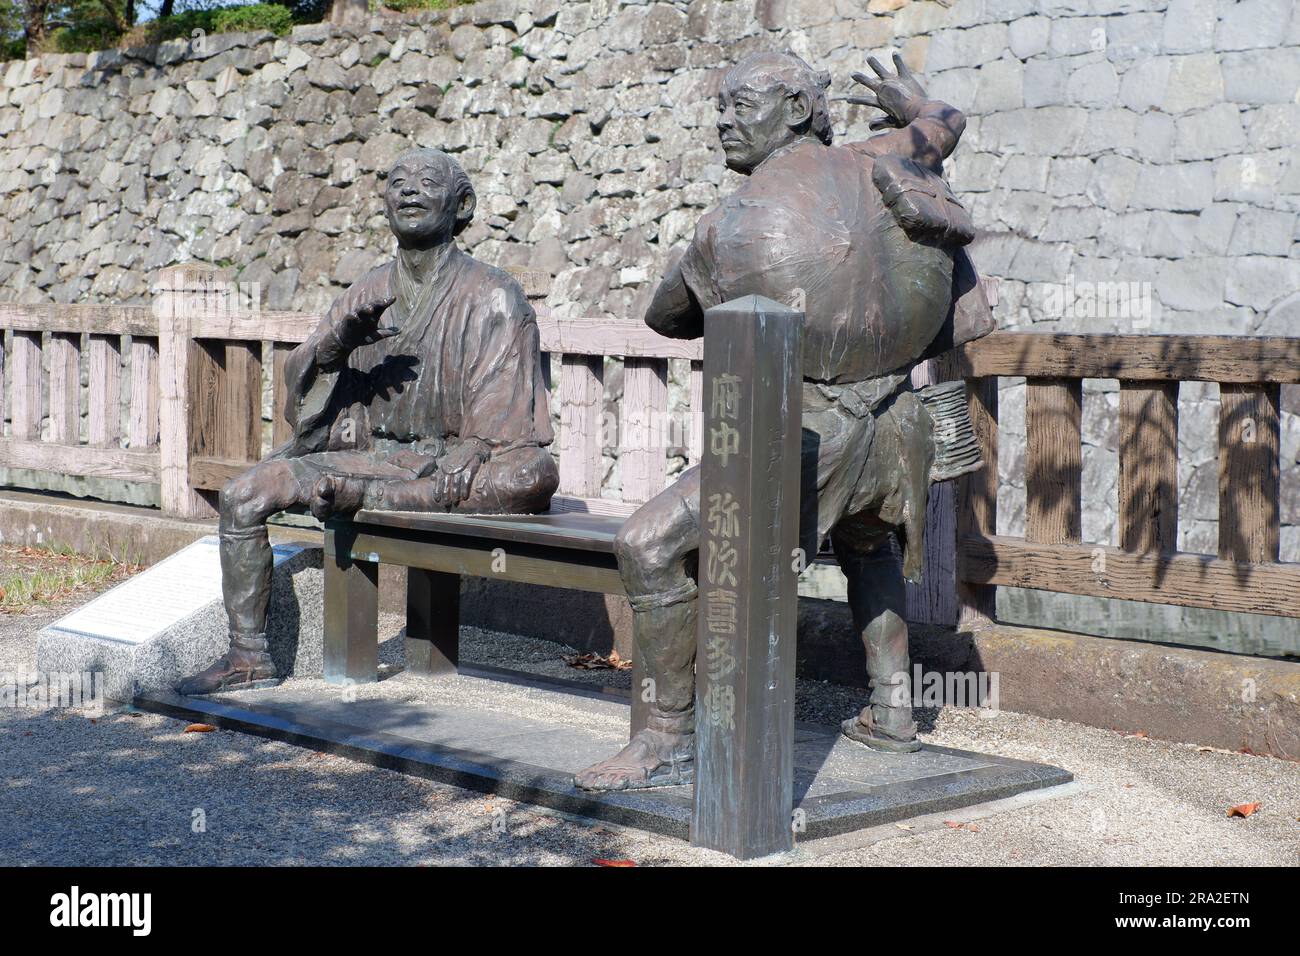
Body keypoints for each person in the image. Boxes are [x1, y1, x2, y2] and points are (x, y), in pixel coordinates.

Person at [575, 52, 994, 791]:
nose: (723, 118)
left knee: (646, 545)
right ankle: (894, 712)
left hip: (804, 434)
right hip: (899, 420)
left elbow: (666, 317)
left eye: (741, 103)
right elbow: (947, 124)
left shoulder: (728, 223)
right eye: (722, 104)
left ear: (797, 107)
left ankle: (668, 735)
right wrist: (915, 105)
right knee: (869, 547)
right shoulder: (884, 157)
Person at [178, 148, 558, 696]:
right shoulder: (369, 291)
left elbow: (504, 423)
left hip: (445, 467)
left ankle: (358, 495)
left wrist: (474, 445)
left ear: (462, 205)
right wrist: (334, 345)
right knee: (242, 494)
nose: (407, 191)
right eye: (397, 182)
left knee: (530, 476)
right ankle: (248, 654)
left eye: (426, 182)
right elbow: (305, 402)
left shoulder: (492, 293)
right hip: (371, 456)